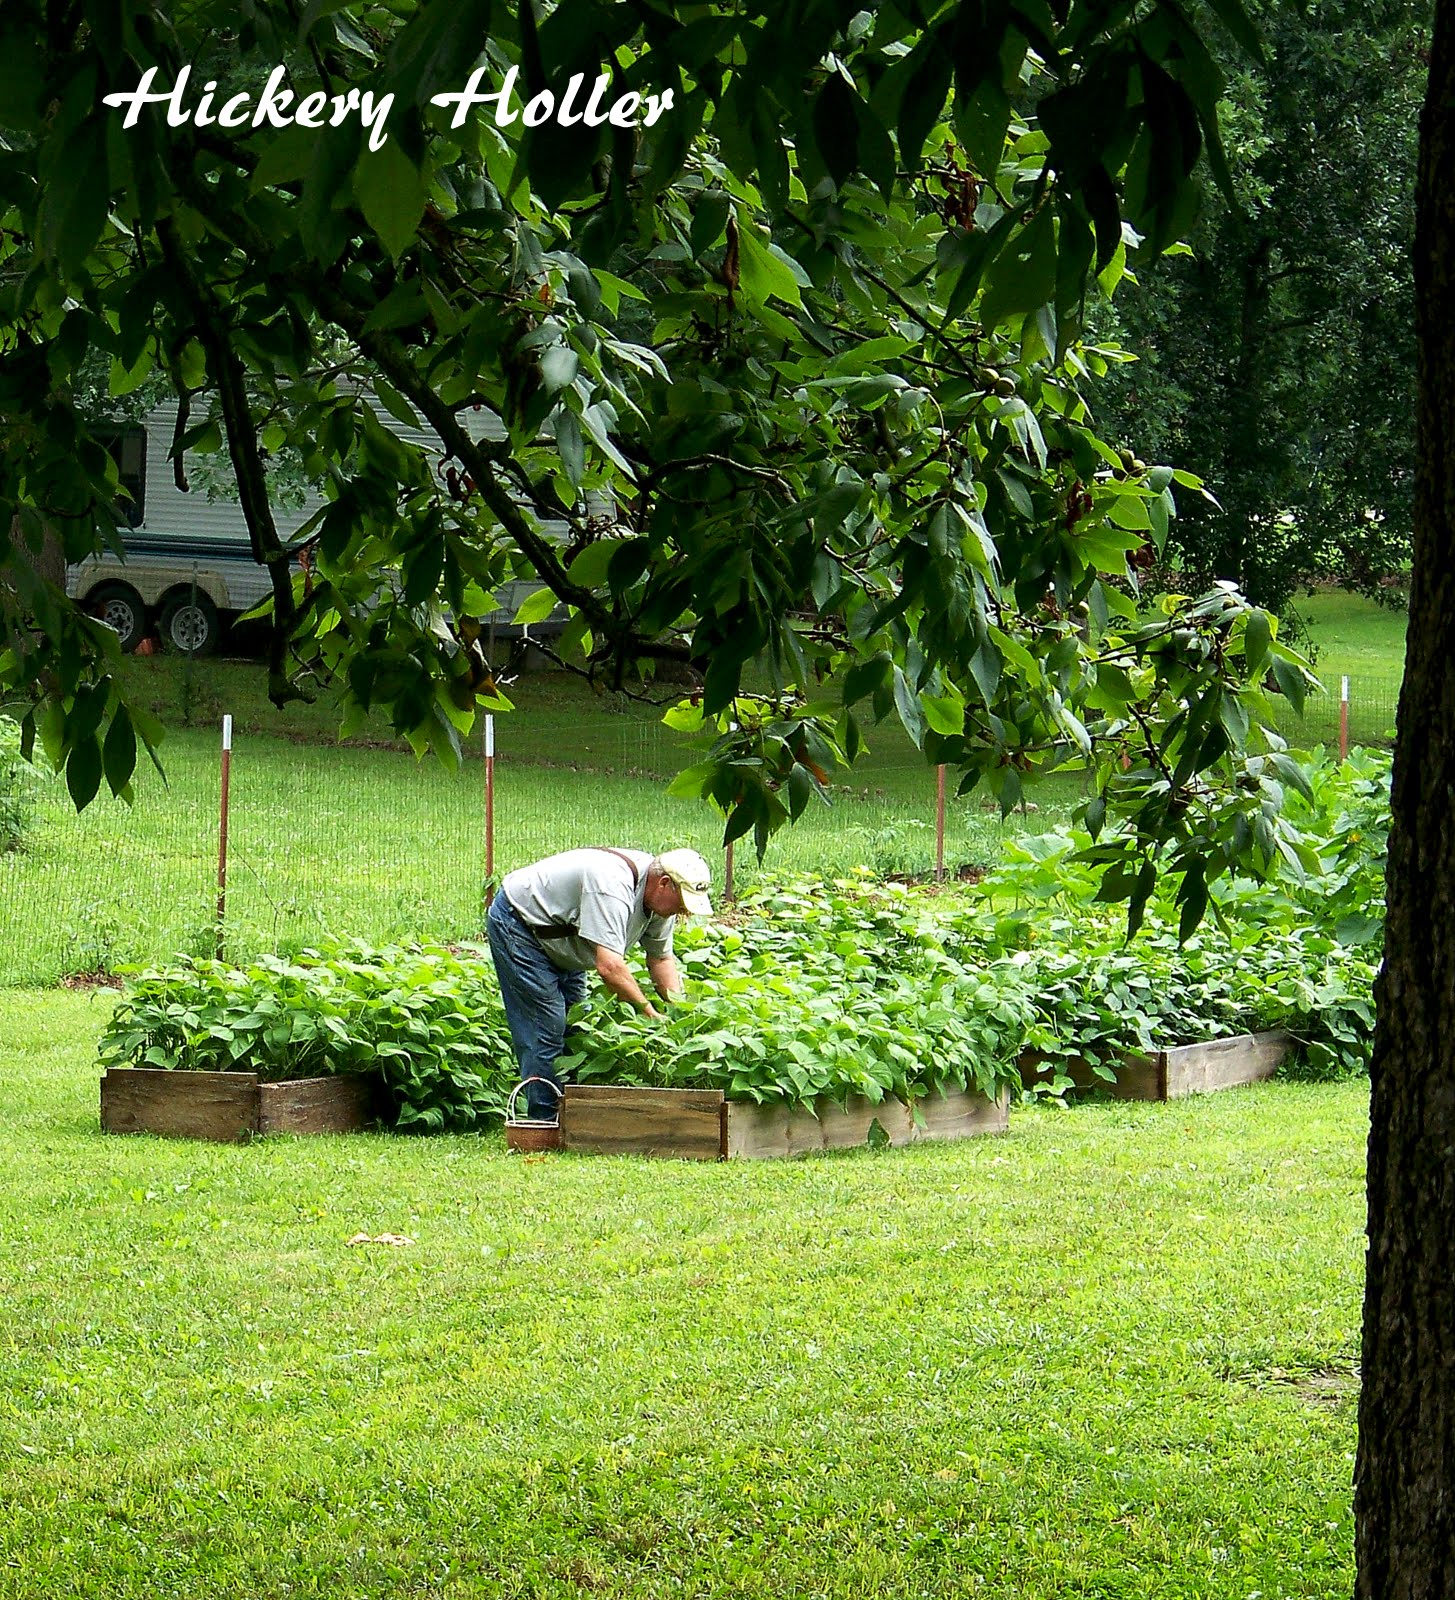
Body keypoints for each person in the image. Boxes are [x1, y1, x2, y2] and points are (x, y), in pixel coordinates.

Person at [486, 846, 713, 1120]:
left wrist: (680, 1014)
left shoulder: (659, 903)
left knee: (575, 1025)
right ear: (664, 883)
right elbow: (609, 967)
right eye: (683, 903)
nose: (684, 912)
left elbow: (661, 959)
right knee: (546, 1028)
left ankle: (573, 1120)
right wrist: (649, 1013)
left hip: (564, 939)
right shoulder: (612, 886)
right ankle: (545, 1123)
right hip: (521, 923)